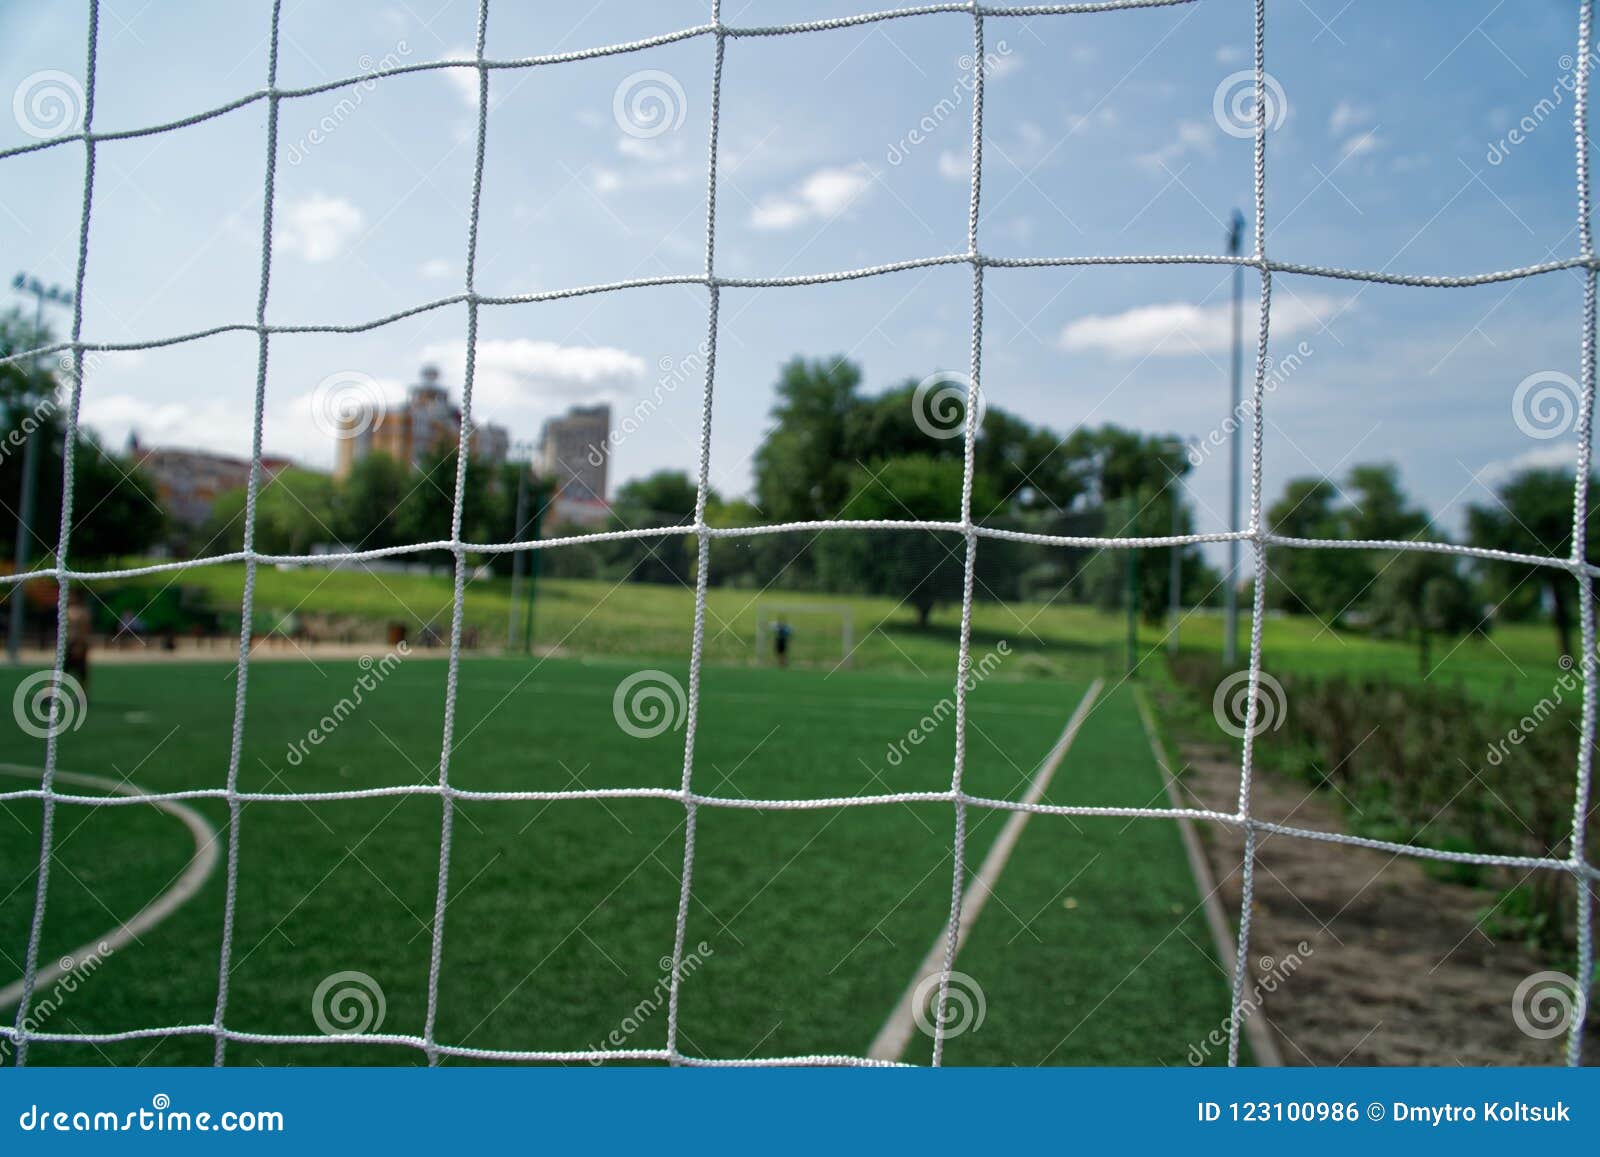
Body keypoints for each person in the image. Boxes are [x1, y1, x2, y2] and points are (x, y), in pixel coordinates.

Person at [64, 587, 91, 698]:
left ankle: (82, 695)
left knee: (81, 672)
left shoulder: (82, 612)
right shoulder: (67, 610)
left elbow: (84, 631)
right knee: (59, 669)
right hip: (67, 644)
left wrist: (79, 646)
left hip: (77, 644)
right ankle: (49, 692)